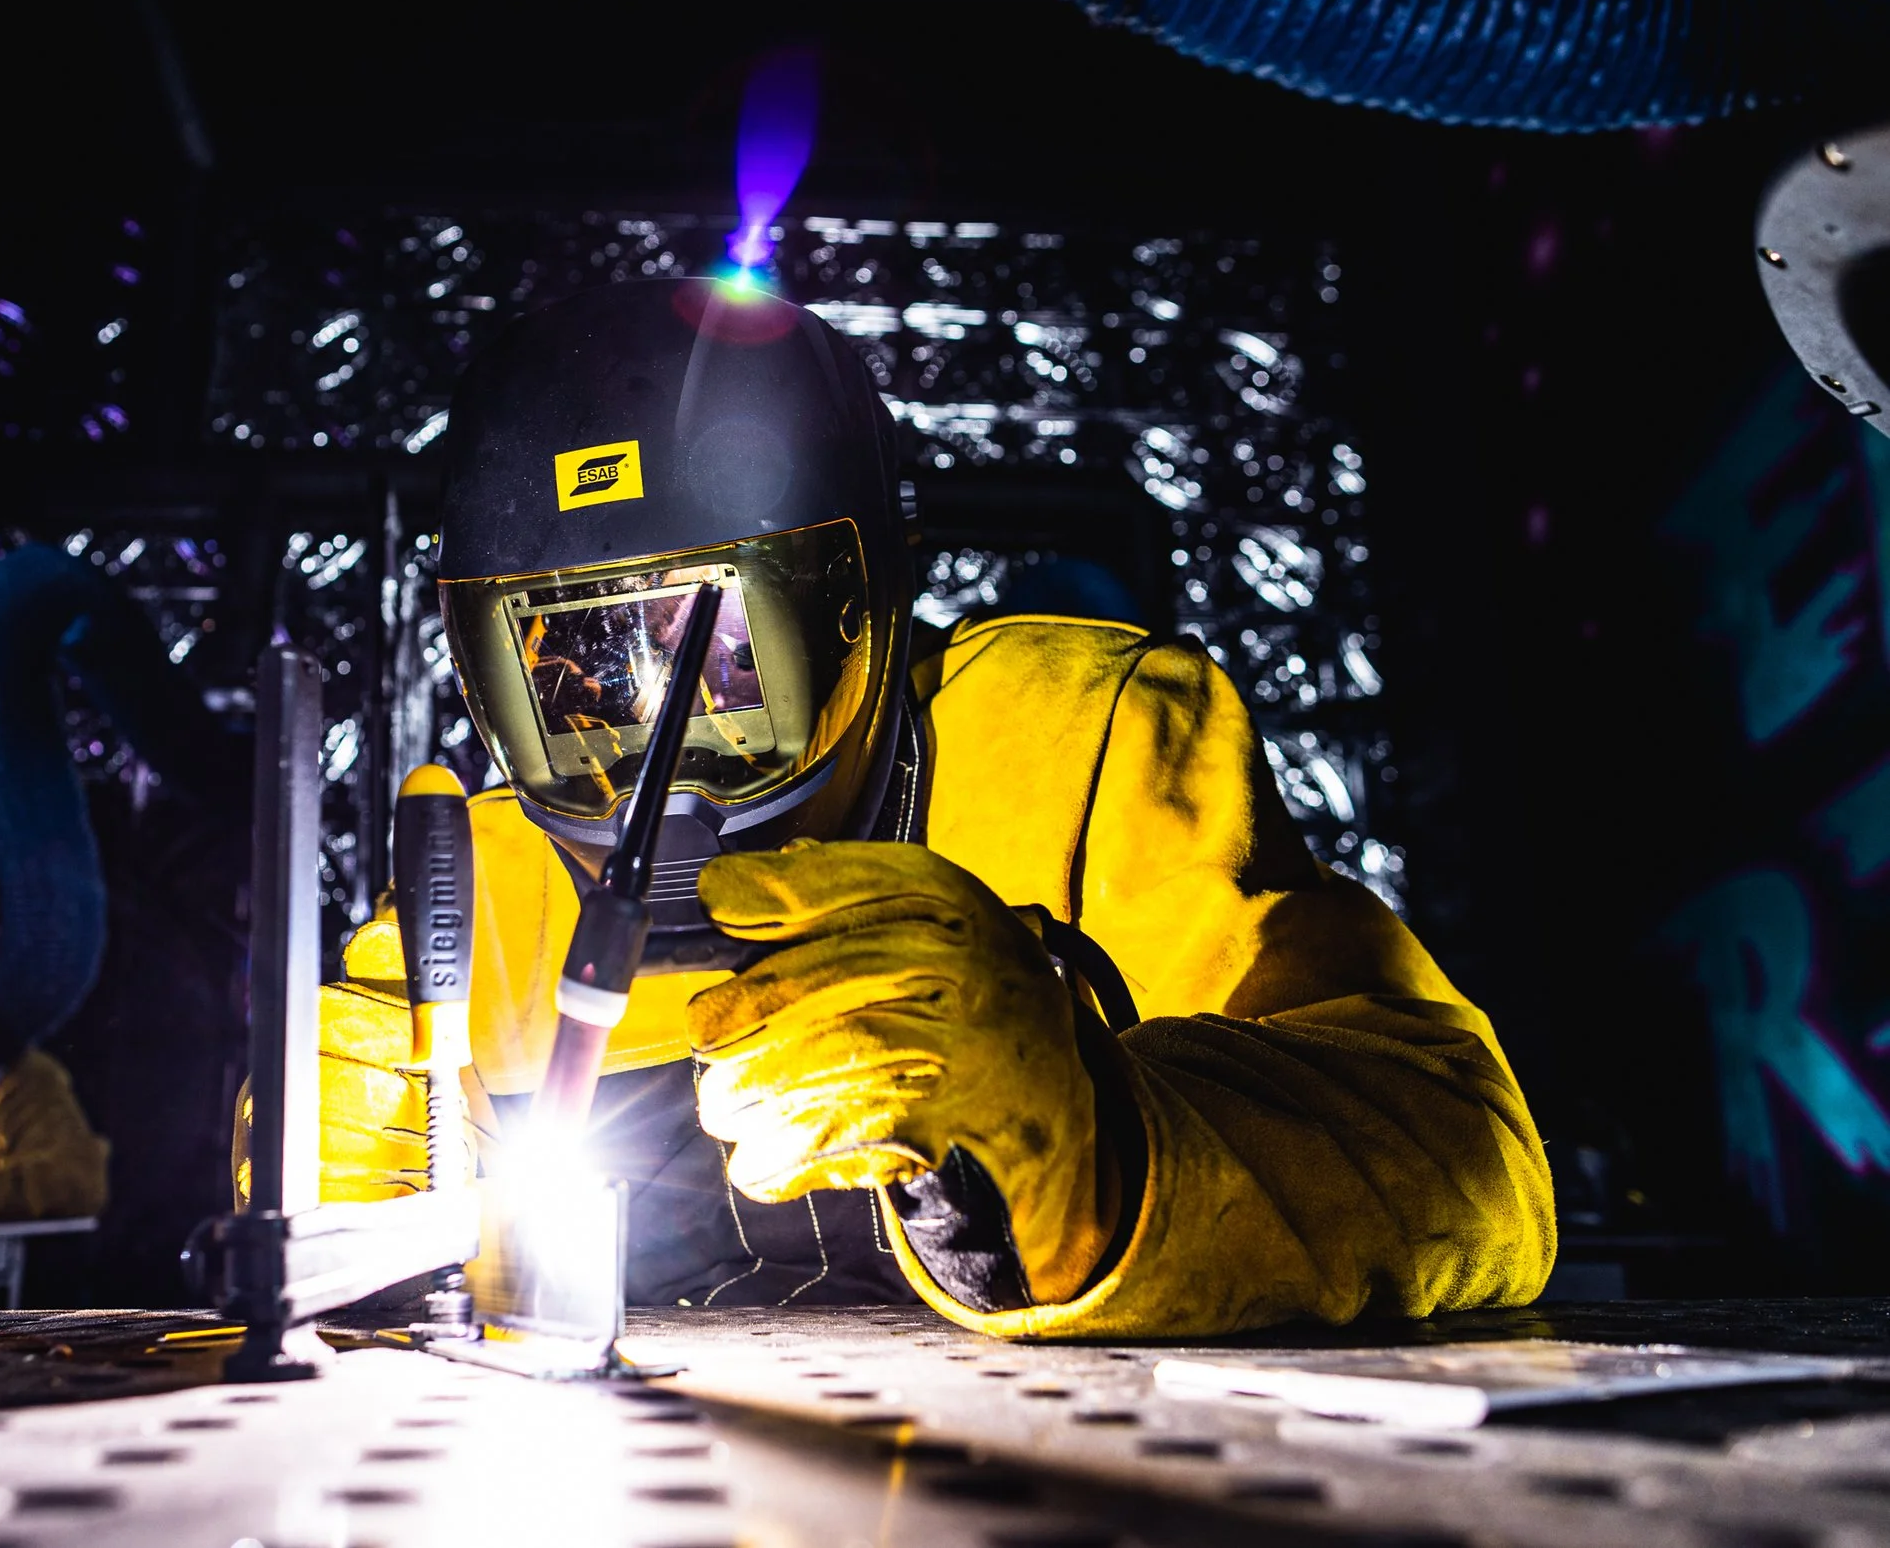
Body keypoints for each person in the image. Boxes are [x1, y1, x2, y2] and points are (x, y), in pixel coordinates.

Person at [306, 275, 1554, 1337]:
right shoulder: (480, 887)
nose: (655, 755)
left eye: (716, 655)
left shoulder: (1083, 737)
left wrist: (1101, 1145)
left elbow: (1466, 1158)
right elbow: (332, 1198)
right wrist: (349, 1193)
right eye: (577, 675)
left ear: (869, 594)